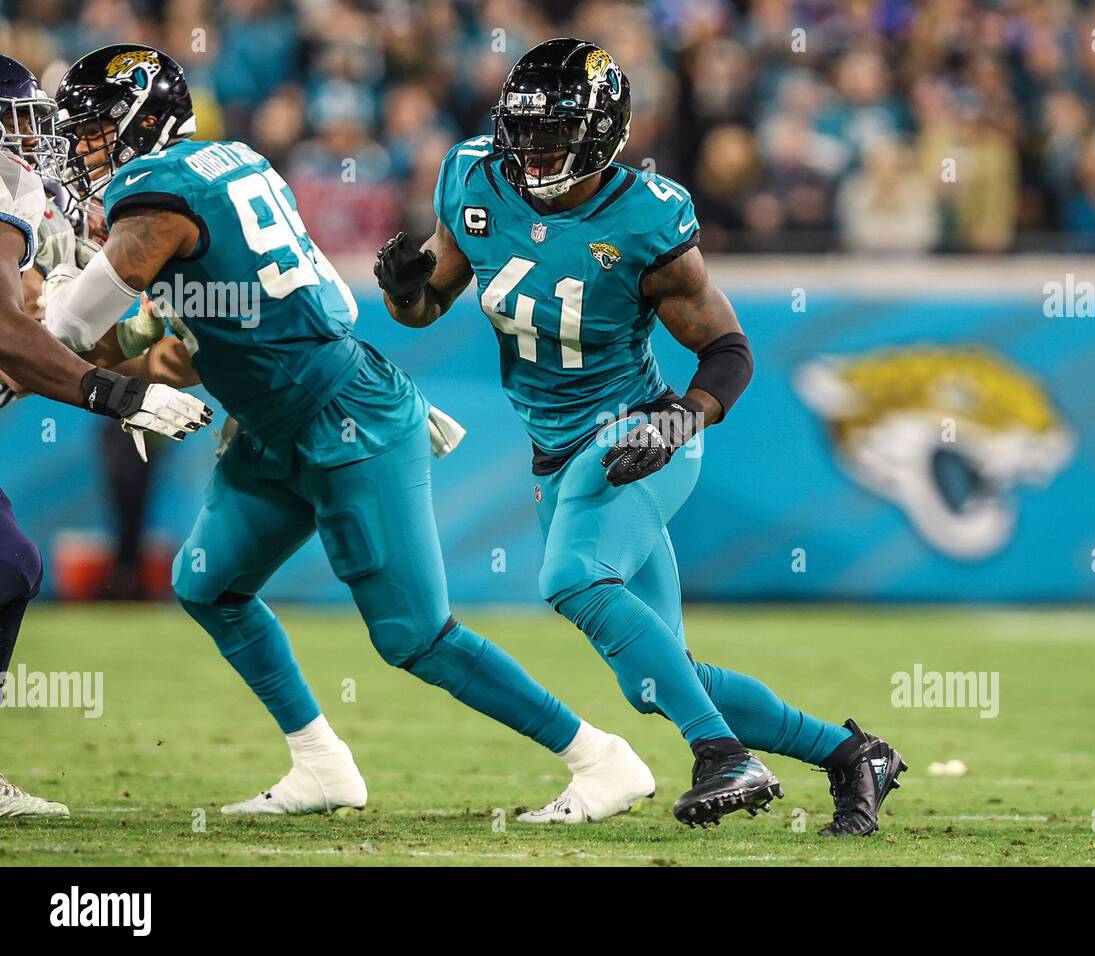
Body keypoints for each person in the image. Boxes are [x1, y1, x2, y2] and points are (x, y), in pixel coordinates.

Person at [44, 44, 653, 820]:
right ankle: (322, 766)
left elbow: (69, 328)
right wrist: (168, 349)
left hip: (342, 420)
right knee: (209, 584)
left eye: (93, 128)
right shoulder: (229, 163)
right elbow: (278, 302)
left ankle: (599, 757)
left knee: (413, 635)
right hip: (286, 420)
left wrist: (56, 282)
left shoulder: (155, 194)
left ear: (139, 120)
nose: (83, 149)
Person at [376, 39, 907, 834]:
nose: (530, 151)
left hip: (638, 432)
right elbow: (428, 304)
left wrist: (677, 420)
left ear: (599, 134)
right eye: (521, 131)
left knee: (573, 580)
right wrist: (404, 291)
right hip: (556, 450)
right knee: (660, 678)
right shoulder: (474, 178)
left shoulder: (644, 216)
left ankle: (723, 756)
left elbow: (728, 351)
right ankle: (850, 754)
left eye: (552, 134)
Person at [0, 53, 211, 818]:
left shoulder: (37, 199)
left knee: (11, 567)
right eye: (13, 120)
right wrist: (116, 392)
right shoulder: (7, 191)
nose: (33, 139)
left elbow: (86, 331)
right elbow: (16, 334)